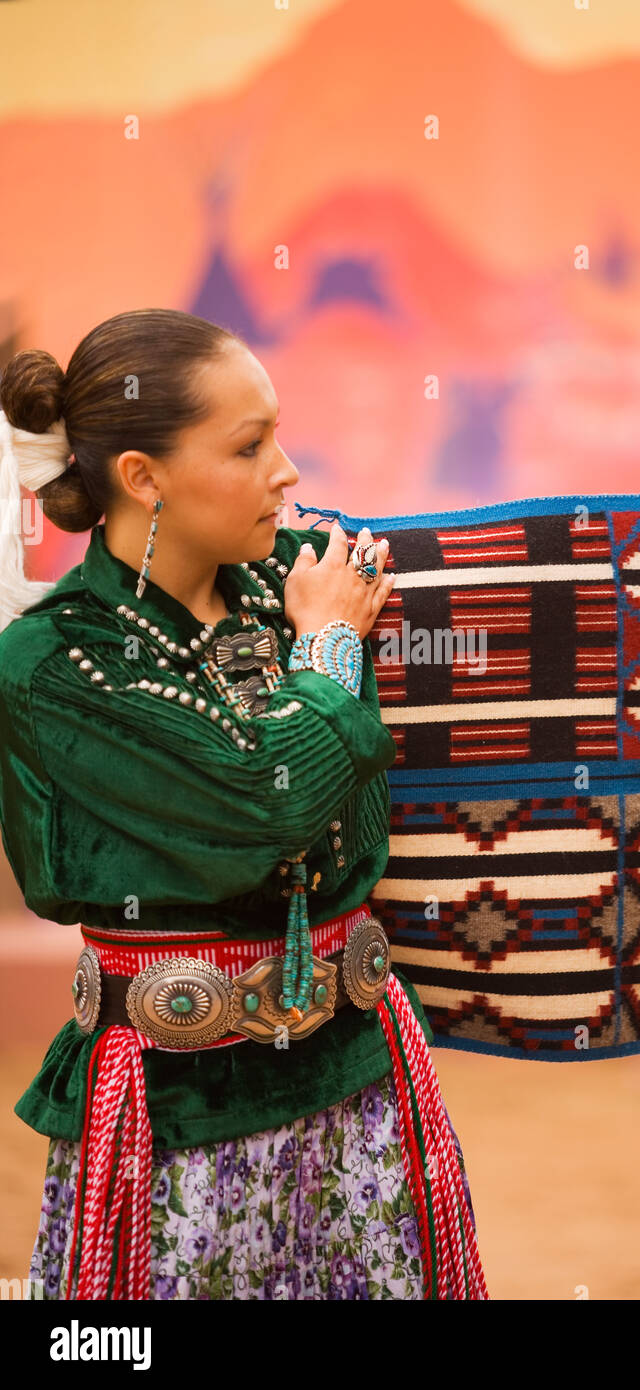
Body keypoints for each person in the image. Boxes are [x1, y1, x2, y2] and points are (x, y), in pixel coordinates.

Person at [0, 307, 487, 1301]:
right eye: (250, 445)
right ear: (144, 477)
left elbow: (533, 590)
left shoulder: (291, 589)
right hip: (178, 1115)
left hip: (357, 1081)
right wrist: (332, 654)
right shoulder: (54, 662)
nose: (288, 471)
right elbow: (262, 806)